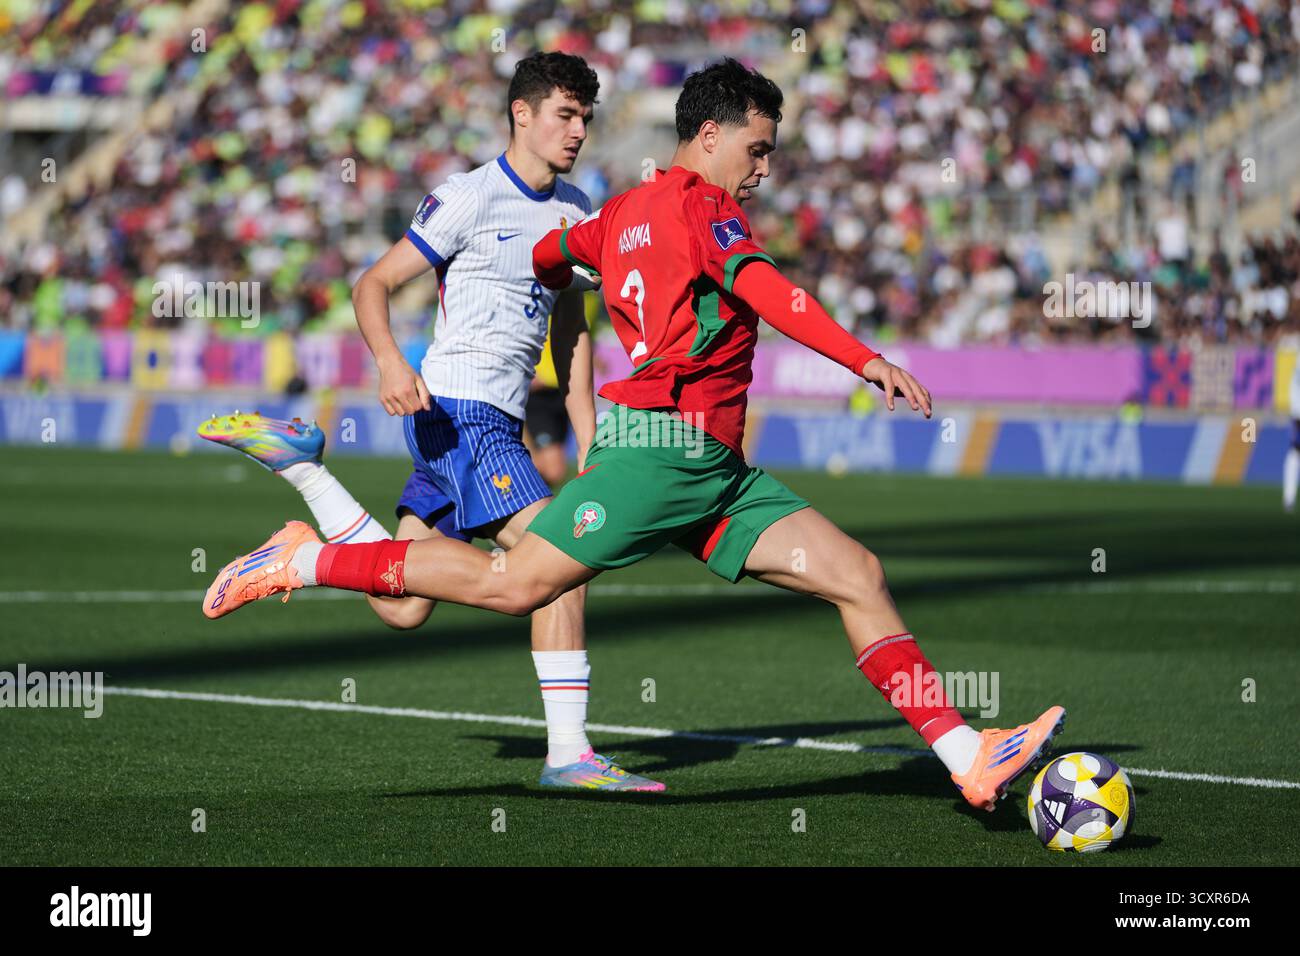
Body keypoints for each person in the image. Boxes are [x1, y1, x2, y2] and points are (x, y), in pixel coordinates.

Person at [203, 58, 1064, 812]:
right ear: (712, 134)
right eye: (757, 149)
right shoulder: (703, 208)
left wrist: (546, 275)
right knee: (515, 587)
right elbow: (769, 291)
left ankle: (967, 756)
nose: (762, 169)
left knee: (858, 575)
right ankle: (305, 561)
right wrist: (863, 358)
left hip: (713, 472)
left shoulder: (615, 212)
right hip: (661, 455)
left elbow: (556, 254)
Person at [198, 51, 661, 792]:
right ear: (522, 113)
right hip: (457, 410)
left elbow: (573, 329)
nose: (577, 131)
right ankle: (570, 755)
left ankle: (307, 478)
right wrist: (388, 362)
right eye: (564, 115)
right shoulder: (469, 196)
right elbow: (373, 283)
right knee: (564, 562)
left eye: (585, 118)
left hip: (491, 426)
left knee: (404, 605)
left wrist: (589, 430)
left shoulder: (579, 213)